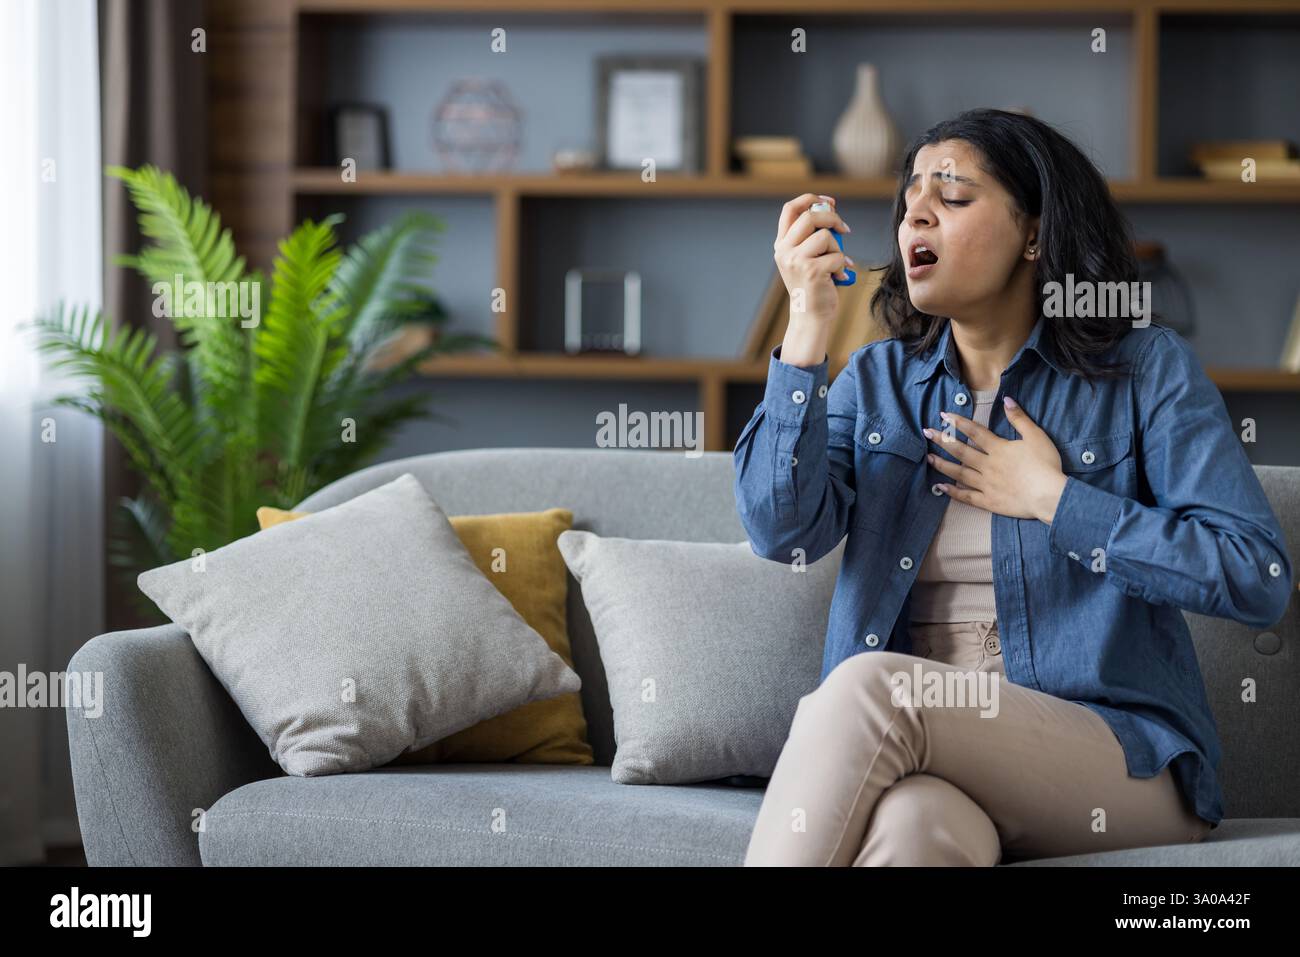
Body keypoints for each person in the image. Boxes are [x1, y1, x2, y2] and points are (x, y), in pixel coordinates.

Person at [734, 108, 1293, 866]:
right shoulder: (876, 380)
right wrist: (805, 328)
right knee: (913, 833)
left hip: (1112, 756)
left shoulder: (1145, 372)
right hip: (936, 753)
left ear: (1034, 232)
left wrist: (1056, 501)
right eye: (908, 203)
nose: (915, 214)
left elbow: (1256, 575)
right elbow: (780, 530)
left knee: (872, 688)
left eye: (953, 197)